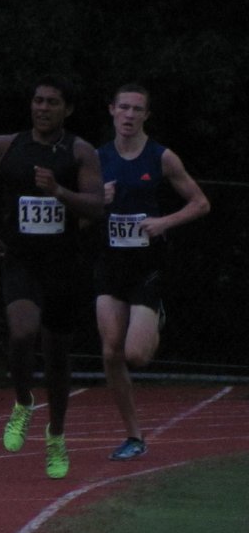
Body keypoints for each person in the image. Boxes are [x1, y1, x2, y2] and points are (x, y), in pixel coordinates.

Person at [0, 76, 103, 479]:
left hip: (63, 265)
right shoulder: (4, 146)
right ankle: (23, 402)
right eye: (38, 101)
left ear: (68, 110)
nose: (42, 108)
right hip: (20, 260)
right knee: (23, 333)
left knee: (59, 358)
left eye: (52, 103)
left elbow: (97, 207)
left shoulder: (80, 152)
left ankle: (56, 437)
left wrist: (60, 192)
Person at [94, 84, 209, 461]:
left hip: (148, 266)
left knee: (136, 355)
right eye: (123, 108)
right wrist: (97, 201)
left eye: (137, 109)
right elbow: (76, 214)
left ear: (146, 115)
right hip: (111, 264)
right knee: (110, 353)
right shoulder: (95, 159)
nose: (129, 115)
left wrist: (165, 222)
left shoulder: (162, 157)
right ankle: (134, 436)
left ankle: (156, 314)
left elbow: (200, 203)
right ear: (111, 110)